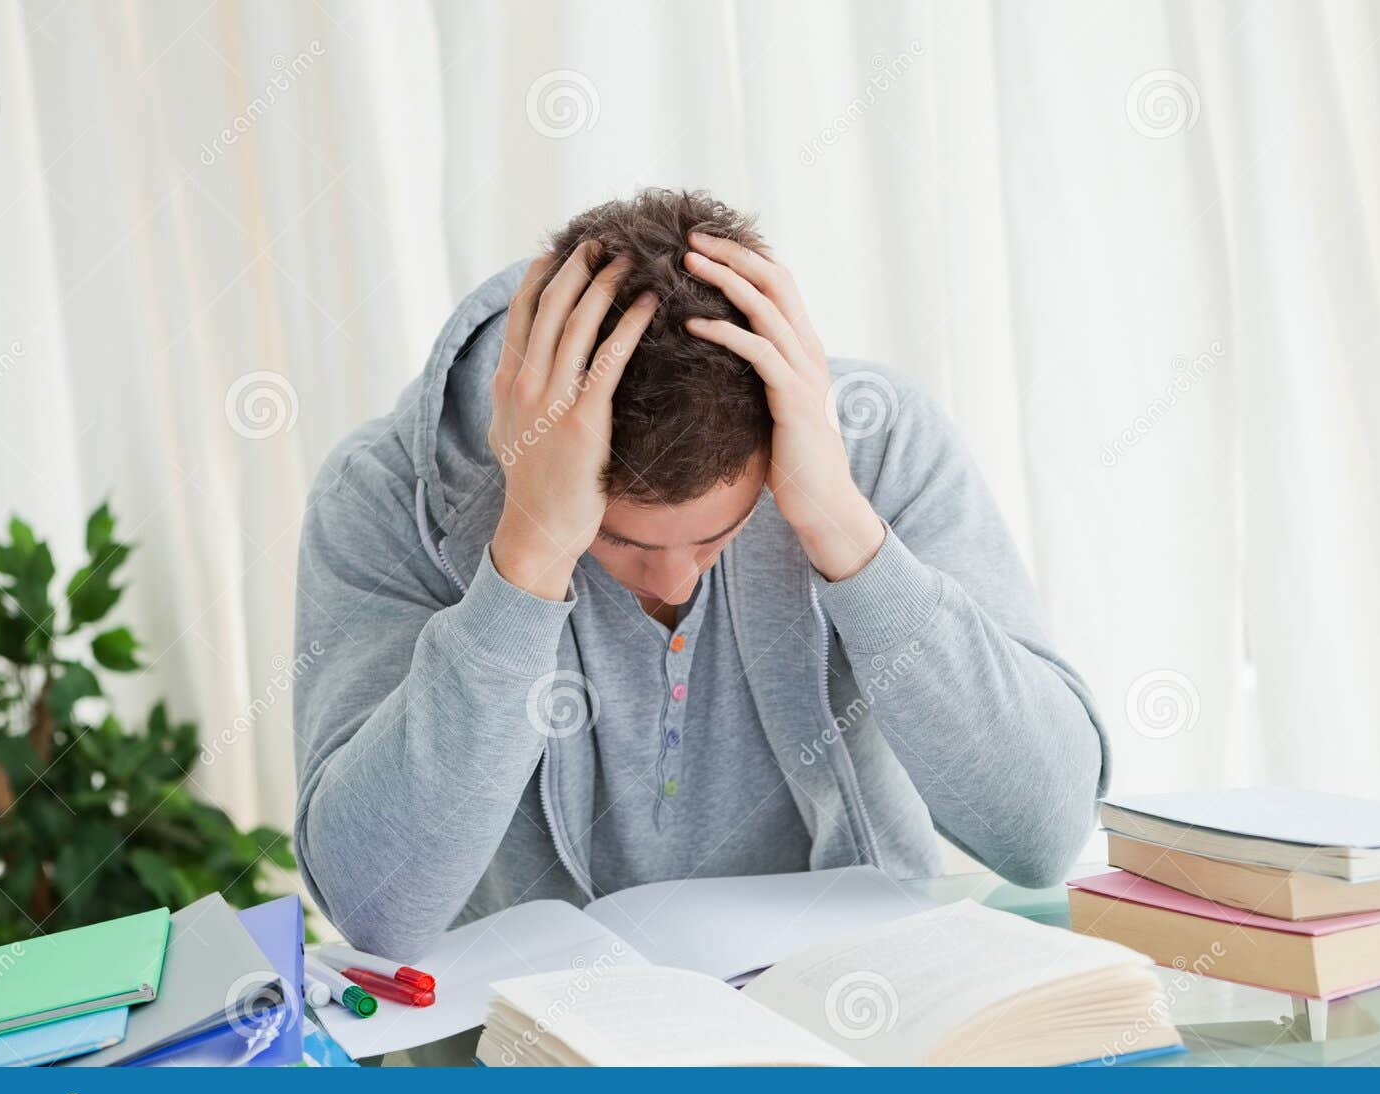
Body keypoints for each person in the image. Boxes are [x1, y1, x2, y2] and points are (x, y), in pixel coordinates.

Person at [292, 189, 1108, 958]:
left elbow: (1041, 831)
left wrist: (843, 529)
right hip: (532, 1063)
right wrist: (529, 558)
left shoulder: (878, 443)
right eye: (618, 540)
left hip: (856, 1023)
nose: (677, 583)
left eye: (719, 534)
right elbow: (377, 910)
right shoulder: (382, 495)